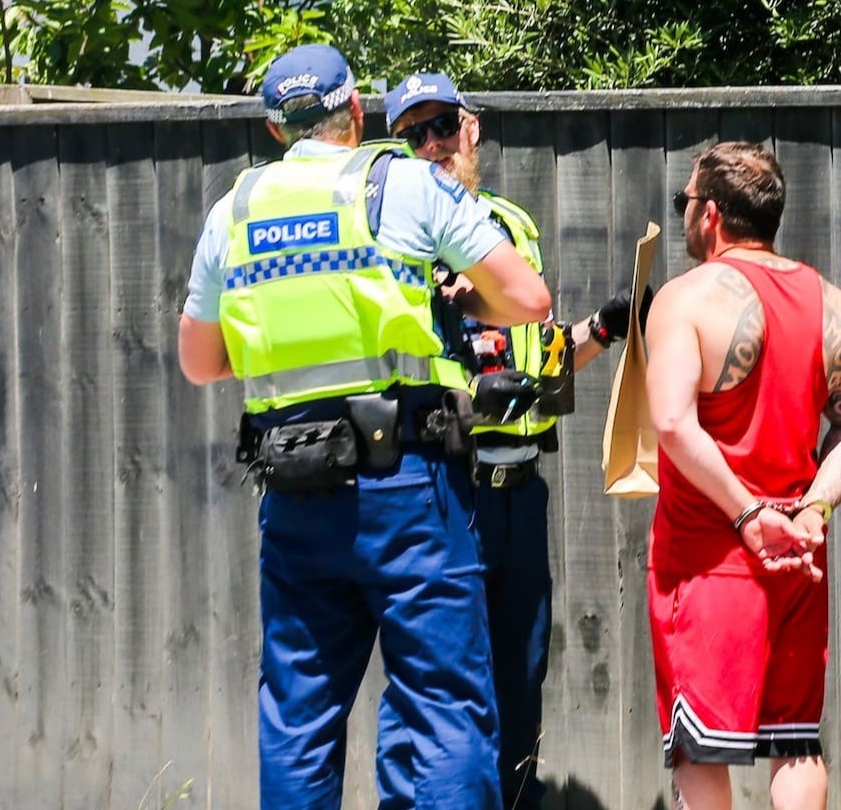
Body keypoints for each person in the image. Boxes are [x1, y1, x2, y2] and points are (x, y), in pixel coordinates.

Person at [176, 45, 552, 810]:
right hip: (409, 487)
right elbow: (529, 300)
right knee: (443, 707)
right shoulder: (403, 181)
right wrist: (452, 304)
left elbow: (200, 362)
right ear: (356, 112)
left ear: (278, 131)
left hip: (295, 489)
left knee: (298, 715)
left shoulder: (235, 210)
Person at [374, 72, 647, 810]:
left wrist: (605, 328)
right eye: (413, 134)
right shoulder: (394, 227)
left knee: (521, 676)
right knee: (438, 686)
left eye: (441, 127)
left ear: (472, 127)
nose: (431, 145)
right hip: (445, 488)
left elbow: (535, 362)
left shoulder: (509, 224)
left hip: (521, 489)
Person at [643, 142, 841, 810]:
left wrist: (750, 516)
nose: (685, 216)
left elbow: (671, 422)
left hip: (707, 555)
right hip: (799, 557)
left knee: (698, 747)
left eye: (684, 204)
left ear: (711, 214)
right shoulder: (831, 302)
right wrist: (811, 512)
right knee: (796, 742)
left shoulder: (684, 300)